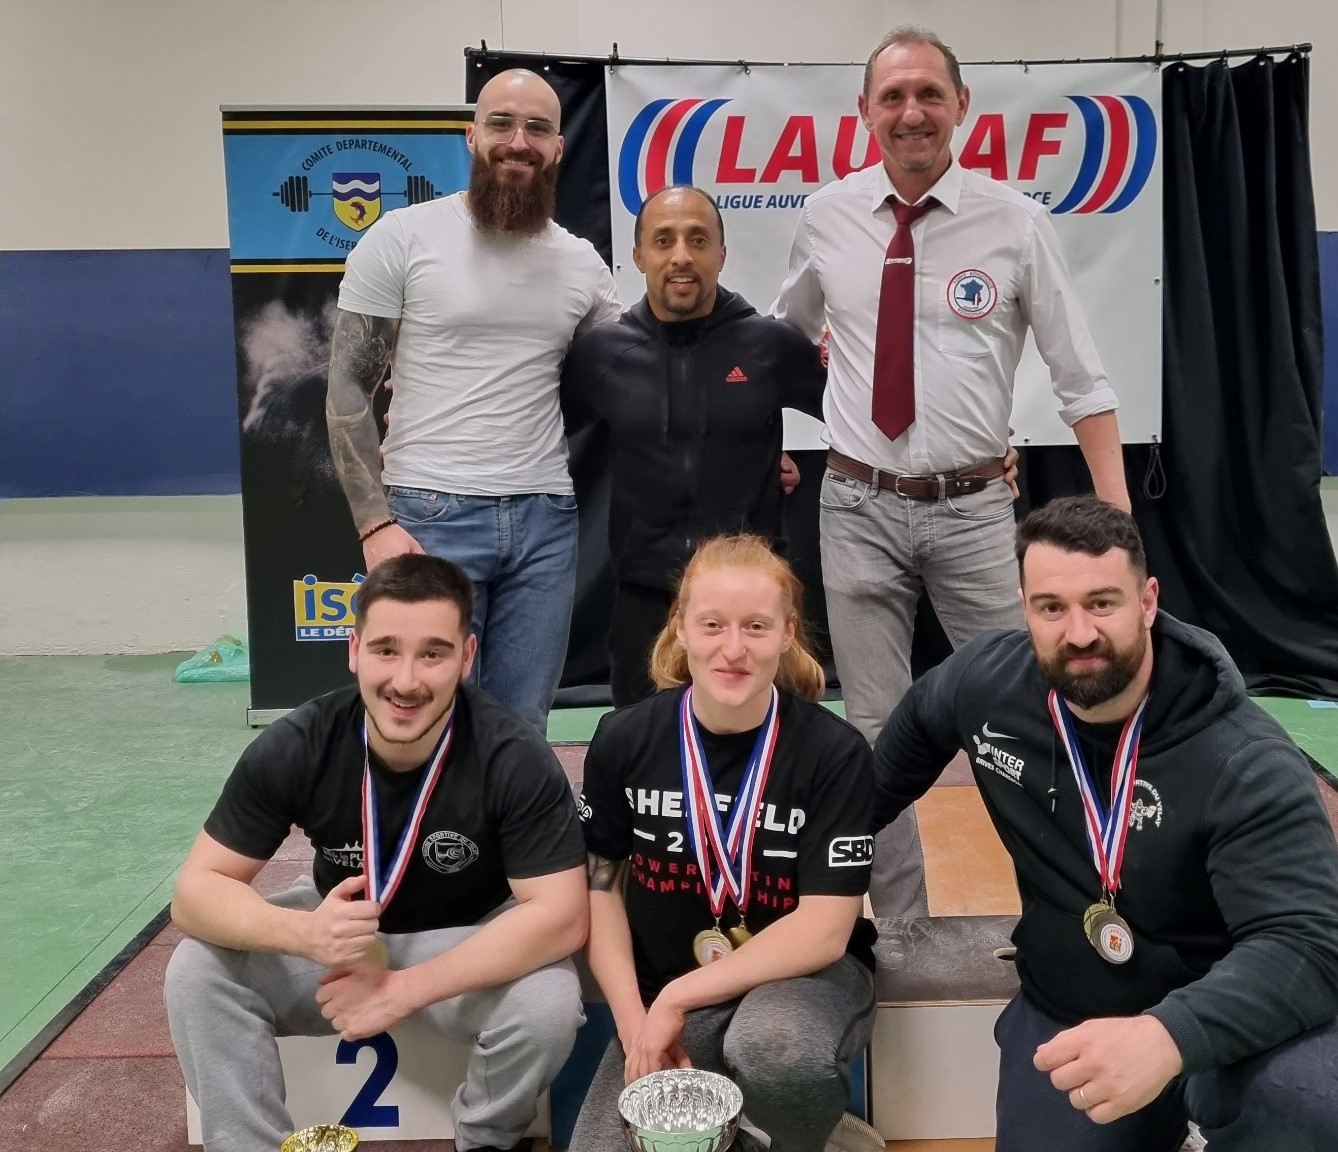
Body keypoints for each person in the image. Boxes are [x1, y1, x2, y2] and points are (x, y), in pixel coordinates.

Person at [871, 496, 1338, 1151]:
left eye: (1102, 603)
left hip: (1226, 1018)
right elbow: (868, 789)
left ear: (1148, 601)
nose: (1078, 633)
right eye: (1052, 608)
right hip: (1072, 1010)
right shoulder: (982, 685)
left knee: (1301, 1107)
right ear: (1024, 607)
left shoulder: (1243, 758)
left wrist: (1168, 1036)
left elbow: (1310, 949)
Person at [771, 25, 1132, 919]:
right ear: (863, 114)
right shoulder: (826, 217)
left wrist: (1119, 530)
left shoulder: (1016, 224)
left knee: (1026, 717)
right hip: (855, 504)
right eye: (891, 97)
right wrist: (765, 439)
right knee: (874, 734)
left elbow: (1081, 378)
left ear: (962, 106)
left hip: (975, 511)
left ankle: (1062, 916)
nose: (911, 112)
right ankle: (896, 928)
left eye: (929, 93)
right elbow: (777, 341)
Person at [164, 554, 590, 1152]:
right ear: (354, 650)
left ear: (467, 657)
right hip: (340, 943)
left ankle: (487, 1139)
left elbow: (561, 916)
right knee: (197, 971)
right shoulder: (301, 742)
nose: (407, 681)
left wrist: (403, 989)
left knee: (547, 1002)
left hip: (468, 940)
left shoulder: (513, 755)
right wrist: (303, 935)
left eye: (433, 653)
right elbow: (194, 893)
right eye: (386, 650)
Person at [326, 67, 622, 731]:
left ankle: (508, 840)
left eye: (537, 128)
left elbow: (637, 372)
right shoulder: (402, 237)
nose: (518, 141)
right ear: (472, 135)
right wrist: (375, 526)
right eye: (502, 124)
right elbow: (348, 386)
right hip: (429, 516)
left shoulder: (581, 264)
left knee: (520, 730)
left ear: (558, 149)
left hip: (545, 522)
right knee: (426, 721)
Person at [569, 534, 878, 1152]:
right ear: (680, 628)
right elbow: (600, 887)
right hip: (665, 991)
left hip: (801, 981)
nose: (732, 649)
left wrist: (679, 998)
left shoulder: (833, 753)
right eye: (712, 624)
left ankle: (805, 1129)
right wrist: (637, 1027)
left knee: (775, 1054)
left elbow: (823, 930)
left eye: (756, 626)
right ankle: (752, 1126)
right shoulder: (623, 740)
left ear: (788, 633)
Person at [561, 185, 825, 707]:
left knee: (760, 756)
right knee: (642, 754)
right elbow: (533, 430)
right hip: (644, 596)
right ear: (638, 256)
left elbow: (861, 420)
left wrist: (977, 452)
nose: (681, 256)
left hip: (750, 598)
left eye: (698, 239)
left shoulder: (769, 346)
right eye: (663, 240)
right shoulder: (603, 354)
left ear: (722, 254)